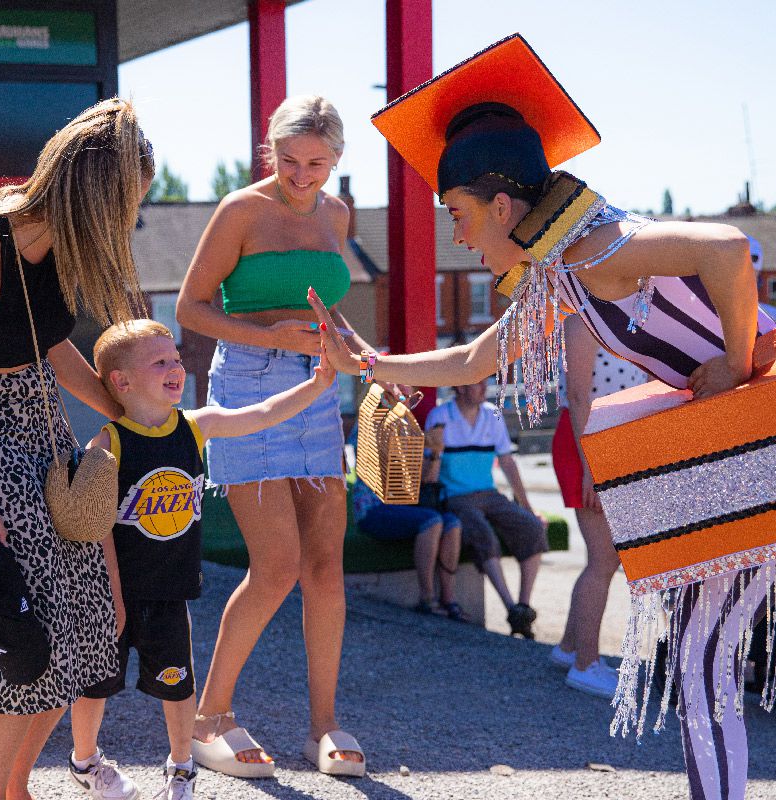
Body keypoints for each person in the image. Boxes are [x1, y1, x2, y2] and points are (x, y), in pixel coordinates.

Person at [305, 35, 776, 799]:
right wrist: (366, 365)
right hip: (748, 444)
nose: (457, 236)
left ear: (503, 206)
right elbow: (474, 360)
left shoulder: (597, 249)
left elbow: (729, 249)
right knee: (703, 662)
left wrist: (733, 365)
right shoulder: (563, 271)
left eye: (458, 214)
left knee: (702, 662)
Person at [0, 98, 152, 800]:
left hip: (39, 419)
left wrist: (126, 413)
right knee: (31, 628)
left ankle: (16, 784)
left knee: (97, 618)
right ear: (91, 194)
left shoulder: (62, 248)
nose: (127, 222)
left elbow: (47, 341)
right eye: (125, 206)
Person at [176, 95, 368, 778]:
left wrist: (365, 356)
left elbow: (327, 308)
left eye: (316, 163)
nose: (301, 175)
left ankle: (323, 727)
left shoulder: (338, 214)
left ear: (336, 158)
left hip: (318, 386)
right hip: (247, 384)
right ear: (272, 152)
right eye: (289, 160)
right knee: (277, 566)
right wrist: (267, 336)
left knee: (326, 568)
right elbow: (189, 307)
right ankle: (209, 718)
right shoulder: (240, 210)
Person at [67, 319, 335, 800]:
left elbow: (264, 413)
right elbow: (97, 528)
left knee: (178, 685)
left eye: (175, 358)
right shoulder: (106, 444)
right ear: (121, 381)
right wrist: (112, 596)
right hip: (114, 594)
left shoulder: (197, 426)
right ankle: (85, 761)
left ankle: (182, 768)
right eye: (160, 362)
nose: (176, 367)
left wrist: (316, 386)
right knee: (96, 685)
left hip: (171, 591)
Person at [549, 315, 648, 697]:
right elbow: (577, 396)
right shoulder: (581, 320)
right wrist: (591, 467)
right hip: (588, 446)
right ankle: (585, 664)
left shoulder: (626, 314)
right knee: (603, 560)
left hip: (613, 442)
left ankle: (569, 648)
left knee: (603, 559)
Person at [424, 381, 547, 637]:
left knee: (532, 527)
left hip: (489, 494)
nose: (484, 387)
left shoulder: (493, 414)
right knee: (483, 535)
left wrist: (527, 507)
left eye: (484, 381)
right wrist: (435, 450)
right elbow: (430, 473)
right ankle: (511, 608)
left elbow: (507, 462)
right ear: (459, 387)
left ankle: (523, 607)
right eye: (477, 382)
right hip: (455, 496)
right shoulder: (439, 416)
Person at [348, 402, 466, 622]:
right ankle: (427, 599)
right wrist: (423, 441)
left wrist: (436, 452)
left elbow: (427, 478)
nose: (405, 396)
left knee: (452, 523)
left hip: (404, 506)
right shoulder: (369, 419)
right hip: (372, 509)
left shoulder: (405, 425)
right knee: (431, 521)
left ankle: (448, 600)